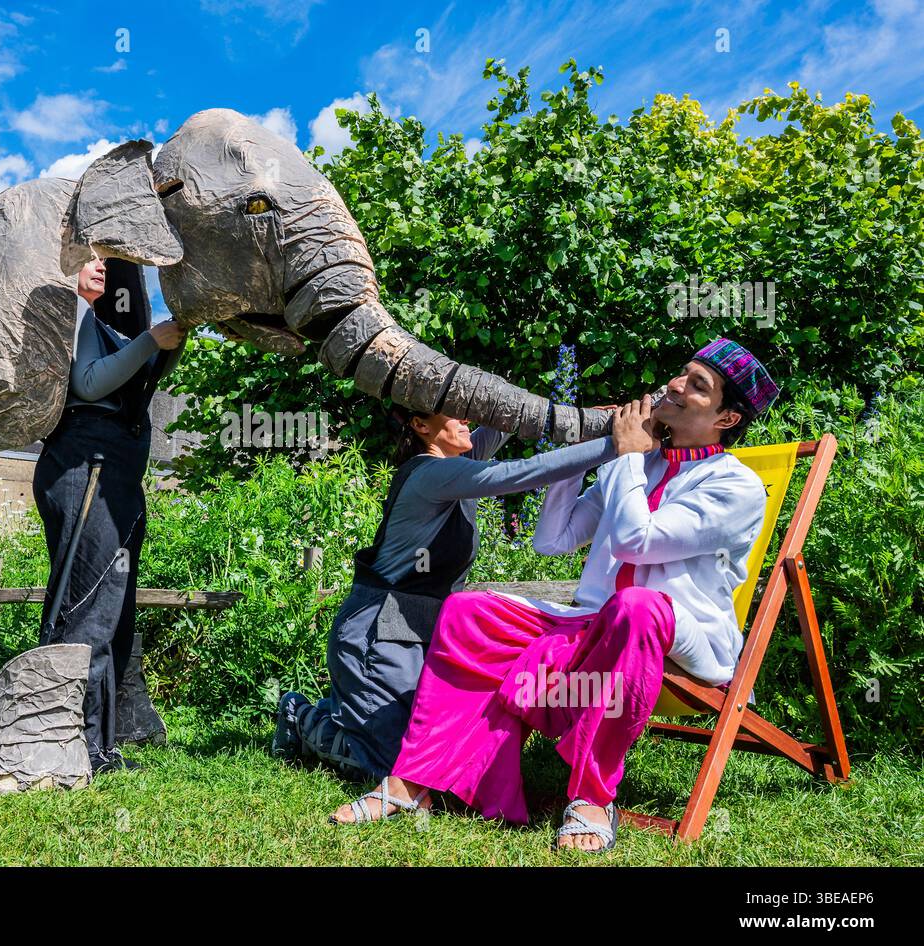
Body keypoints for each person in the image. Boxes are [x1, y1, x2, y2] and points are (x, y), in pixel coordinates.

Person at [329, 338, 779, 855]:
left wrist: (626, 456)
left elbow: (639, 541)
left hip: (680, 636)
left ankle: (592, 796)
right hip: (592, 622)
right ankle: (416, 781)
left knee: (635, 608)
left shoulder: (734, 485)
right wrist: (588, 447)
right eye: (682, 374)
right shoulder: (634, 466)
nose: (675, 386)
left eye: (698, 387)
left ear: (726, 419)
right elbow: (553, 540)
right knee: (467, 610)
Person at [271, 406, 620, 781]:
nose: (467, 420)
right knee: (391, 769)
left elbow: (511, 416)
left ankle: (348, 712)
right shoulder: (432, 473)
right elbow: (519, 472)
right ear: (421, 425)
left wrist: (578, 418)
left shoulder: (458, 458)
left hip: (420, 630)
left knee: (425, 754)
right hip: (378, 630)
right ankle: (304, 718)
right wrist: (614, 443)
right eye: (455, 414)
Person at [33, 257, 185, 775]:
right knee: (87, 606)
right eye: (86, 257)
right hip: (85, 464)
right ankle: (63, 737)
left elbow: (137, 374)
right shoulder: (68, 312)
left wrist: (169, 339)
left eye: (103, 259)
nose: (99, 266)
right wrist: (149, 341)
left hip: (113, 469)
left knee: (112, 608)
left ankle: (97, 742)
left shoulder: (98, 322)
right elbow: (91, 384)